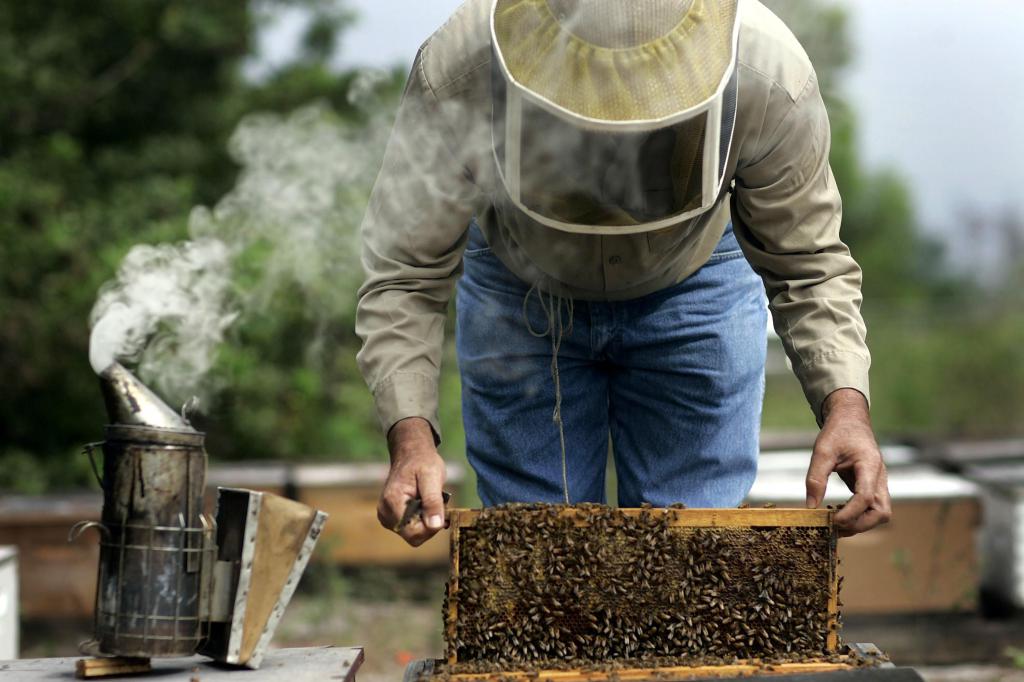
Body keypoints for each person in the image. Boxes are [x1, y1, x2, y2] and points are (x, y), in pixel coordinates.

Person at [356, 0, 892, 547]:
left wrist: (846, 406)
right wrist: (411, 436)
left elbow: (809, 263)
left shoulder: (769, 74)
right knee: (538, 559)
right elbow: (405, 270)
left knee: (691, 559)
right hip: (522, 288)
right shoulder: (459, 70)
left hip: (696, 276)